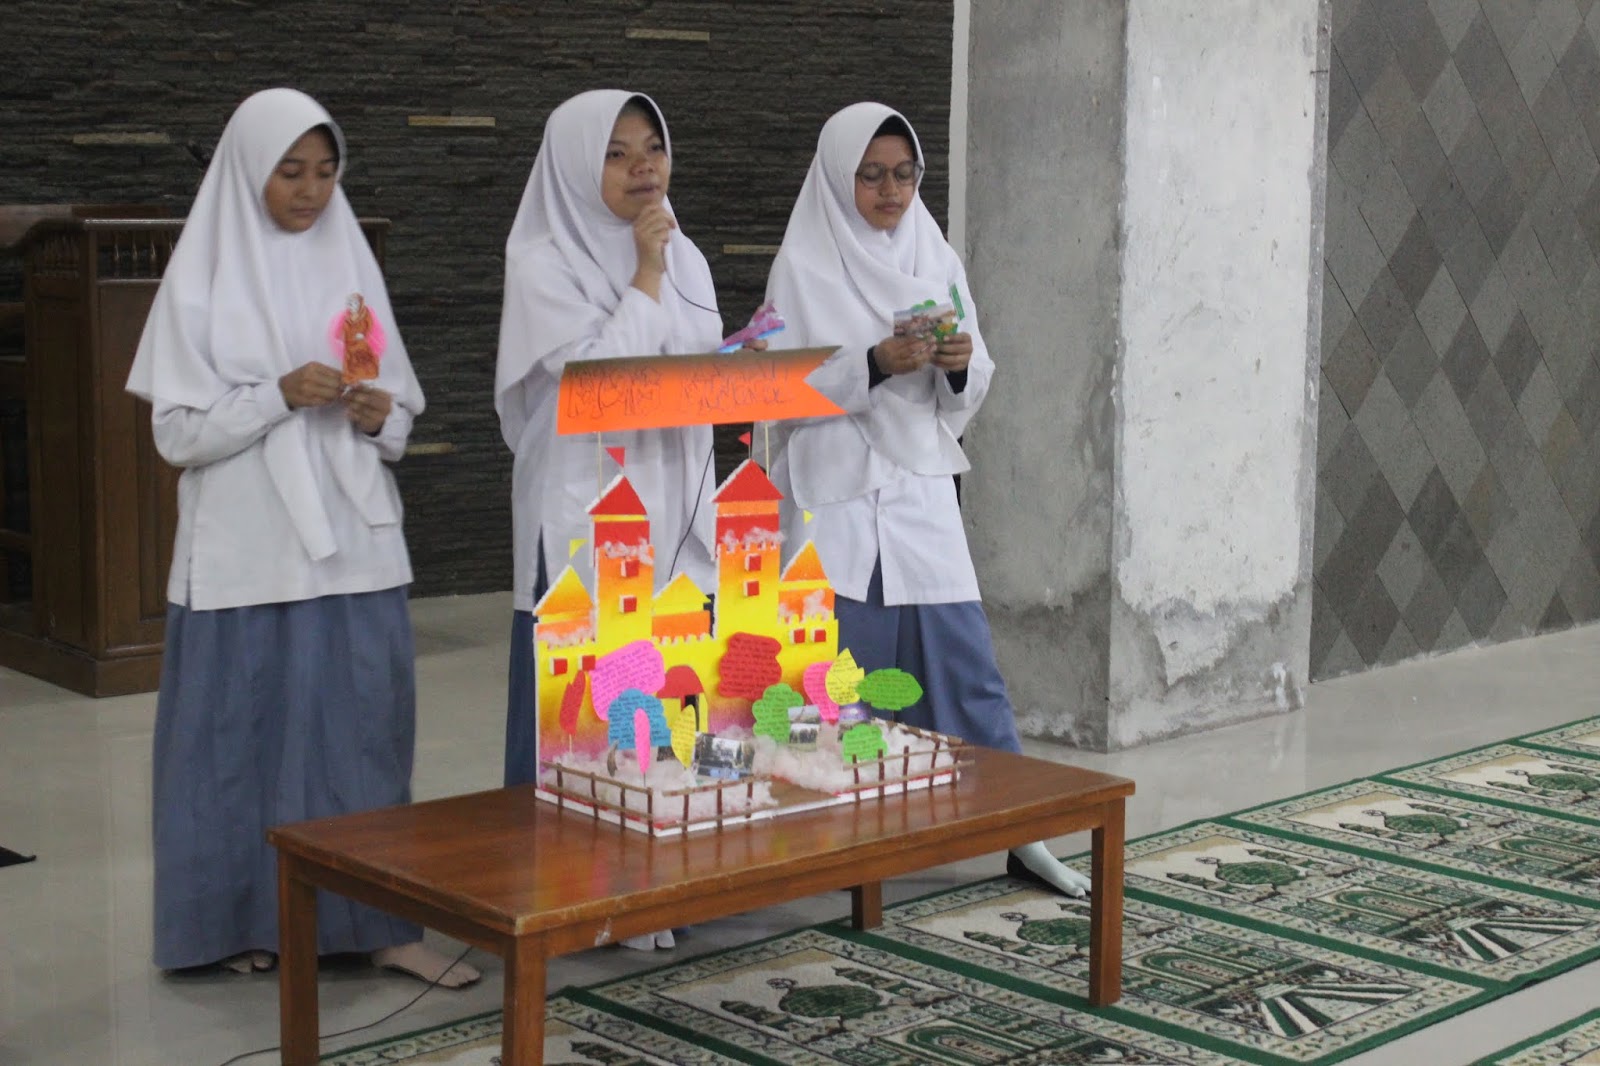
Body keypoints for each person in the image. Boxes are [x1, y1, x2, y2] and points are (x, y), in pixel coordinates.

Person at [126, 87, 480, 985]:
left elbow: (398, 415)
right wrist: (273, 395)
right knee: (237, 742)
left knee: (364, 734)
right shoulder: (204, 277)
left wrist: (372, 413)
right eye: (291, 171)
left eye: (325, 172)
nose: (311, 191)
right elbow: (177, 435)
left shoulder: (348, 262)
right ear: (251, 170)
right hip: (247, 547)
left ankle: (383, 926)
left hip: (352, 543)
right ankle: (237, 922)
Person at [761, 102, 1092, 898]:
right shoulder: (804, 263)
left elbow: (972, 381)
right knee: (831, 674)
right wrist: (870, 362)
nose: (890, 191)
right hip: (835, 491)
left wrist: (953, 361)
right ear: (842, 177)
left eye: (903, 174)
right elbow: (778, 386)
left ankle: (1020, 831)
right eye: (871, 175)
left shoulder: (932, 252)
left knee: (963, 665)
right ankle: (821, 835)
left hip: (915, 489)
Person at [494, 90, 731, 949]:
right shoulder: (544, 262)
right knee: (588, 704)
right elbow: (592, 387)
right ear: (572, 163)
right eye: (619, 152)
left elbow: (701, 361)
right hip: (585, 522)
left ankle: (669, 881)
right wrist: (643, 276)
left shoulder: (684, 251)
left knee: (668, 693)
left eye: (654, 149)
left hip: (671, 511)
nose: (644, 169)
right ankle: (582, 894)